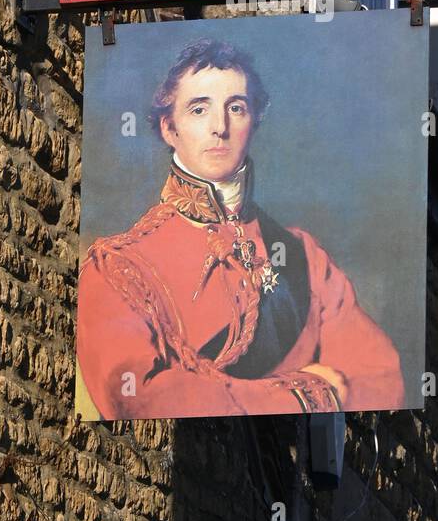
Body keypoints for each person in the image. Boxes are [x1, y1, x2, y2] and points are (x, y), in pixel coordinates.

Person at [76, 37, 405, 419]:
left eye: (237, 107)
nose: (220, 127)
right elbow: (137, 394)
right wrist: (302, 394)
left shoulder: (303, 256)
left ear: (255, 119)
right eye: (199, 109)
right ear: (169, 127)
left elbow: (381, 378)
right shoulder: (119, 267)